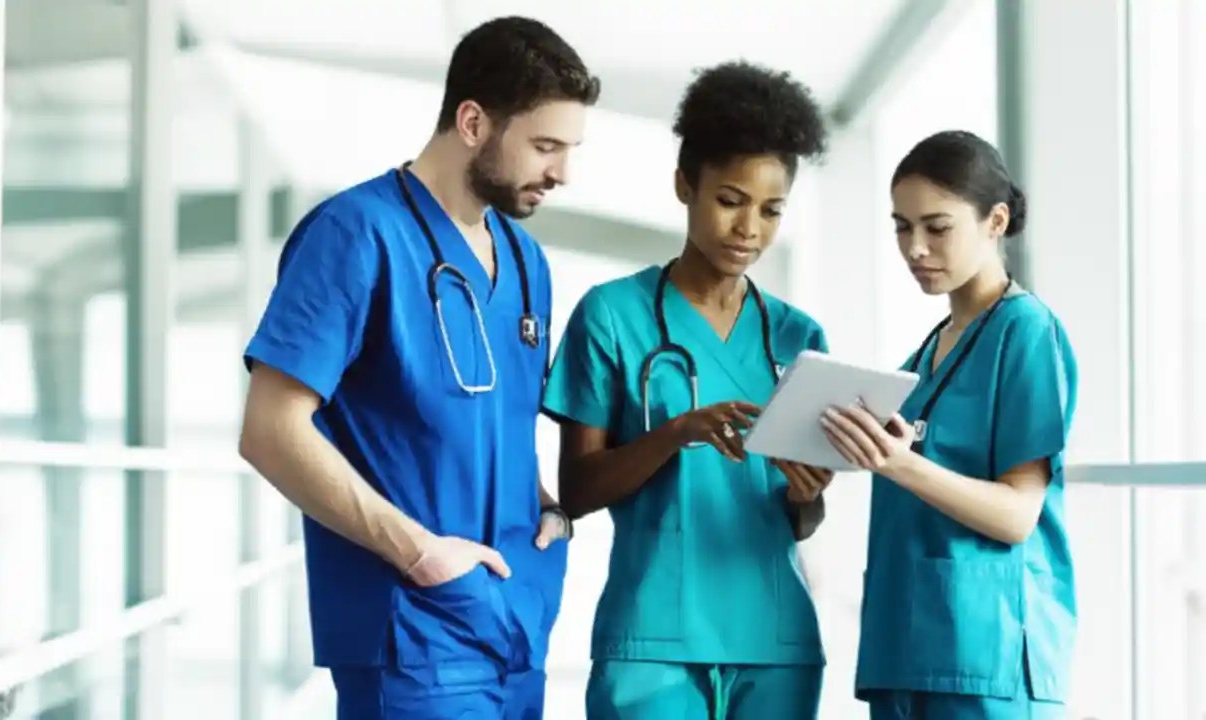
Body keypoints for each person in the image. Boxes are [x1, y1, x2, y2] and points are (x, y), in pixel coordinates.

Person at [237, 16, 601, 720]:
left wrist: (545, 506)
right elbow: (270, 430)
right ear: (472, 122)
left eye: (570, 148)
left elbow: (497, 419)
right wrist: (419, 553)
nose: (562, 173)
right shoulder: (355, 234)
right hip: (414, 635)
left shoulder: (526, 262)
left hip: (517, 622)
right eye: (545, 146)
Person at [541, 61, 832, 720]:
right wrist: (675, 432)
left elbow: (802, 522)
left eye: (771, 210)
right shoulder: (613, 316)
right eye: (730, 200)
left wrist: (807, 496)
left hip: (778, 643)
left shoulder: (798, 337)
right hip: (653, 638)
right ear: (684, 185)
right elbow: (579, 492)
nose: (749, 229)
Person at [821, 130, 1078, 720]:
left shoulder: (1026, 332)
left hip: (986, 652)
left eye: (937, 228)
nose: (915, 248)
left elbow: (1017, 515)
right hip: (906, 648)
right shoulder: (928, 353)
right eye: (901, 227)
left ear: (995, 221)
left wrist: (899, 463)